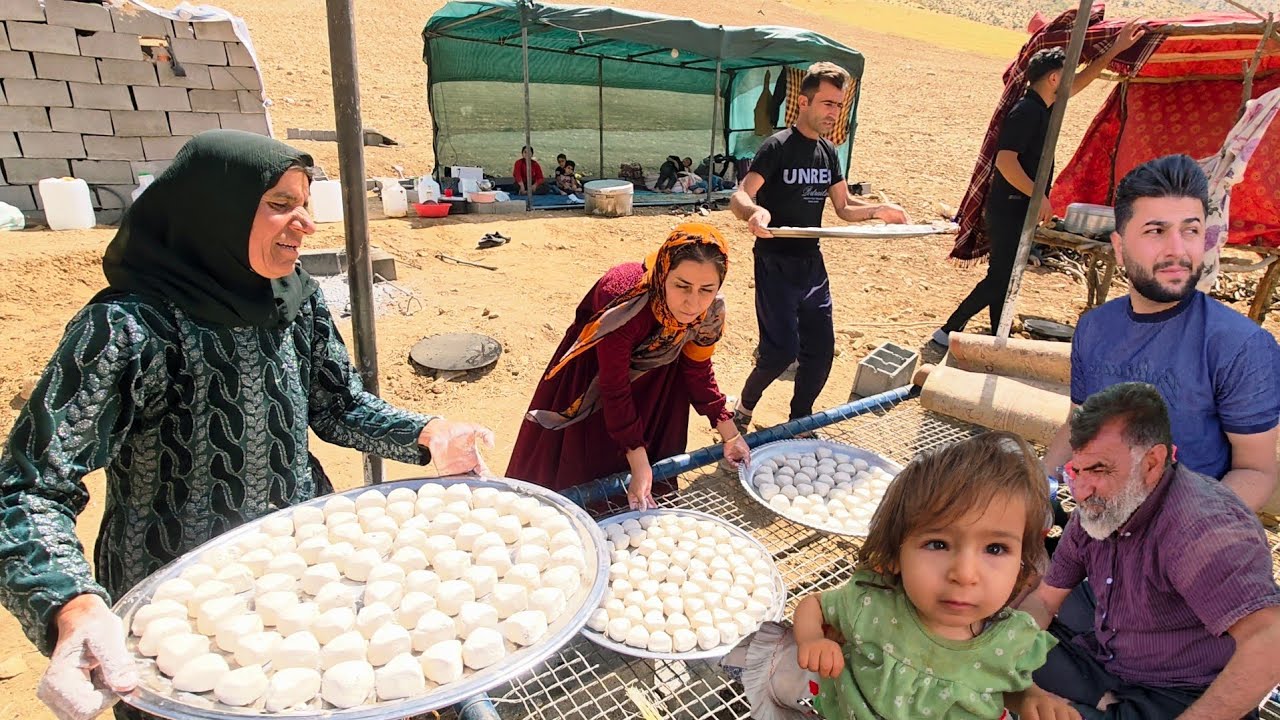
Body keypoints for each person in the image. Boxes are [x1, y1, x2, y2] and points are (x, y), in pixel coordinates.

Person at [0, 131, 493, 720]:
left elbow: (338, 405)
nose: (306, 224)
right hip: (176, 603)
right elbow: (29, 487)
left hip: (305, 570)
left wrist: (428, 430)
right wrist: (69, 603)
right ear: (216, 213)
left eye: (305, 204)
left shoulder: (293, 300)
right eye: (280, 205)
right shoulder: (127, 330)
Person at [722, 432, 1076, 720]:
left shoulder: (1013, 638)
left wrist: (1031, 698)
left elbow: (1006, 684)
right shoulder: (872, 605)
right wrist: (813, 639)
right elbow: (814, 605)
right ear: (894, 555)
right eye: (938, 544)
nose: (965, 574)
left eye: (995, 549)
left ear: (1022, 562)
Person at [1020, 383, 1280, 719]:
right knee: (990, 616)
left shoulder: (1200, 530)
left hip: (1185, 690)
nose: (1082, 491)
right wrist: (1000, 656)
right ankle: (1099, 696)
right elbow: (1044, 600)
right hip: (1112, 647)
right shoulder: (1099, 507)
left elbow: (1271, 639)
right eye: (1076, 471)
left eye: (1100, 470)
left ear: (1153, 462)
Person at [1040, 155, 1279, 512]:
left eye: (1191, 230)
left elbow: (1256, 469)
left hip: (1192, 539)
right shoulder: (1094, 328)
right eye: (1156, 230)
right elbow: (1079, 421)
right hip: (1100, 526)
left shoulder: (1239, 346)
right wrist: (1044, 480)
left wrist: (1177, 535)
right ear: (1119, 247)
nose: (1177, 249)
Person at [933, 20, 1146, 346]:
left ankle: (996, 335)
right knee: (1000, 277)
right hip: (1010, 208)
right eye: (1066, 75)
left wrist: (1114, 50)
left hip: (1019, 207)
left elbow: (1076, 85)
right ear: (1052, 79)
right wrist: (1038, 197)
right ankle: (948, 330)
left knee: (1005, 277)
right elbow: (1006, 162)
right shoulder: (1027, 111)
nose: (1070, 81)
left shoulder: (1043, 104)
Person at [506, 223, 749, 508]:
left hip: (659, 385)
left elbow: (697, 370)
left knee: (650, 473)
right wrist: (637, 457)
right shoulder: (625, 299)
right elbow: (614, 385)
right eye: (681, 286)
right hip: (596, 380)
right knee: (581, 468)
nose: (692, 303)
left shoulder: (709, 313)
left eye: (706, 289)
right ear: (663, 272)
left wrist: (731, 435)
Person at [730, 62, 909, 433]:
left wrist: (879, 210)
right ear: (803, 101)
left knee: (821, 351)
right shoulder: (776, 147)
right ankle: (745, 406)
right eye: (827, 103)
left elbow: (843, 207)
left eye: (839, 106)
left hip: (811, 263)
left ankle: (799, 418)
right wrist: (755, 211)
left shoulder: (829, 153)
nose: (833, 112)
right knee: (780, 351)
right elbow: (741, 195)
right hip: (775, 260)